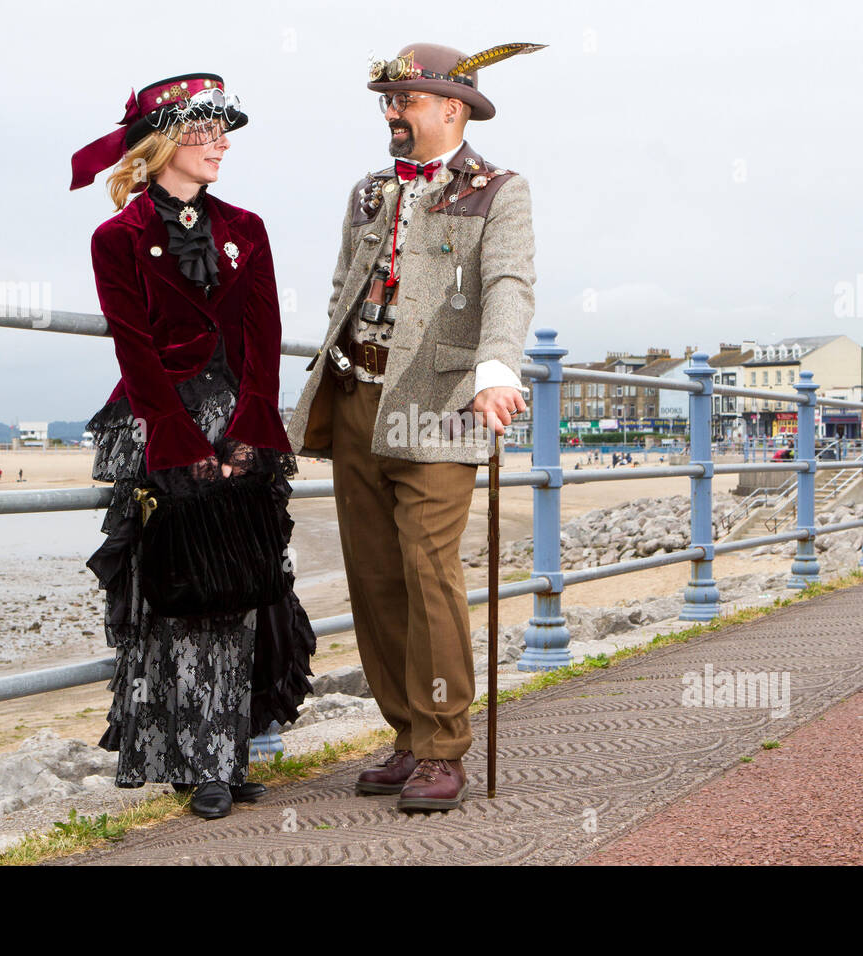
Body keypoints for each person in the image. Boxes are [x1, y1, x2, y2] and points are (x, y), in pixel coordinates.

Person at [286, 41, 543, 811]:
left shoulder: (500, 188)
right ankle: (405, 735)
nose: (391, 115)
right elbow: (342, 286)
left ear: (451, 109)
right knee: (373, 577)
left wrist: (497, 368)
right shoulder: (367, 191)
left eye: (405, 102)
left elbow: (510, 283)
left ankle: (442, 746)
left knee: (429, 569)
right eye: (387, 103)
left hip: (445, 403)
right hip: (358, 398)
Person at [71, 72, 316, 820]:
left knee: (241, 584)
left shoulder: (249, 227)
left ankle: (231, 751)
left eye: (223, 132)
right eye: (204, 133)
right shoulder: (117, 237)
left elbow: (265, 335)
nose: (220, 146)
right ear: (164, 144)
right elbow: (134, 347)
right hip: (162, 424)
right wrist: (179, 444)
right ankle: (196, 762)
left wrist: (247, 431)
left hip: (242, 422)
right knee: (178, 593)